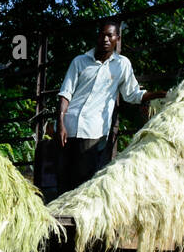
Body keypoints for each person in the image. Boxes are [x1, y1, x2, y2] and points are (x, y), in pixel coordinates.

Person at [56, 20, 166, 192]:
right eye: (102, 34)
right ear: (97, 37)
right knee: (63, 177)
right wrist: (61, 123)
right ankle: (57, 216)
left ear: (117, 38)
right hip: (68, 127)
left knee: (84, 182)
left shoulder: (122, 65)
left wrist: (157, 94)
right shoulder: (80, 61)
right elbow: (65, 93)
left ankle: (78, 217)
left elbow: (132, 94)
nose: (105, 39)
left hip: (93, 130)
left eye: (110, 35)